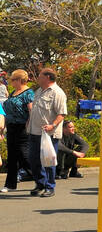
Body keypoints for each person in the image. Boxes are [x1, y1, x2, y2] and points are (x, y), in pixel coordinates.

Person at [26, 66, 67, 198]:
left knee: (48, 160)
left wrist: (52, 125)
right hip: (34, 131)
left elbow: (62, 114)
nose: (38, 78)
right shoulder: (39, 91)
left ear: (47, 77)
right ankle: (40, 184)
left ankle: (50, 186)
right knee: (33, 159)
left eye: (40, 76)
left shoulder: (57, 92)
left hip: (48, 134)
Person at [1, 69, 34, 194]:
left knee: (24, 155)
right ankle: (10, 184)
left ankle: (40, 178)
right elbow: (7, 110)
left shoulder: (28, 93)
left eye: (13, 80)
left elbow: (31, 110)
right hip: (11, 127)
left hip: (22, 127)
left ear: (20, 80)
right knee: (12, 157)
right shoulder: (13, 92)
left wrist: (29, 125)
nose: (11, 82)